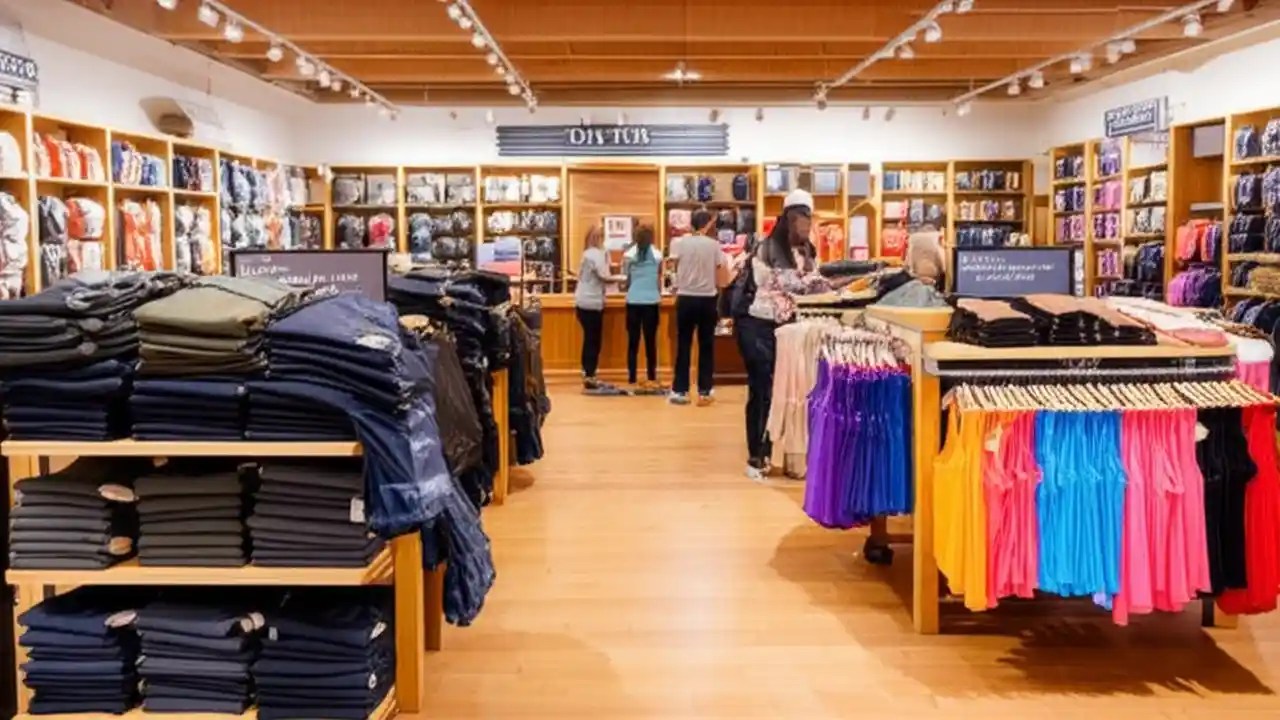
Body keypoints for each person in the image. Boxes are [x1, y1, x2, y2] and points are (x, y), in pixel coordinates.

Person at [734, 189, 832, 480]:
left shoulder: (806, 250)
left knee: (790, 389)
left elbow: (812, 282)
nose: (805, 225)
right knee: (762, 389)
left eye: (808, 218)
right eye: (800, 218)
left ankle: (791, 457)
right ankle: (757, 456)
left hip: (783, 328)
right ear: (788, 219)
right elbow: (796, 284)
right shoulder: (769, 249)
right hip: (754, 324)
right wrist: (837, 282)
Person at [668, 208, 729, 406]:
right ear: (707, 224)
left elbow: (672, 268)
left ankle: (680, 390)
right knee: (706, 345)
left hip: (685, 298)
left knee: (683, 345)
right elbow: (722, 277)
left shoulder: (679, 243)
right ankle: (705, 390)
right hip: (707, 299)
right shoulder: (714, 246)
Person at [574, 226, 622, 390]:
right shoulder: (597, 255)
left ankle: (587, 372)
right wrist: (622, 278)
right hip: (592, 303)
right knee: (594, 340)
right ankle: (590, 374)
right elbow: (604, 276)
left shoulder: (586, 254)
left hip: (581, 301)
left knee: (589, 339)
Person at [622, 224, 662, 389]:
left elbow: (627, 280)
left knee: (633, 342)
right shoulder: (658, 255)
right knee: (650, 341)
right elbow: (658, 279)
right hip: (651, 301)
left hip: (633, 301)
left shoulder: (628, 256)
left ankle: (632, 377)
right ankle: (651, 376)